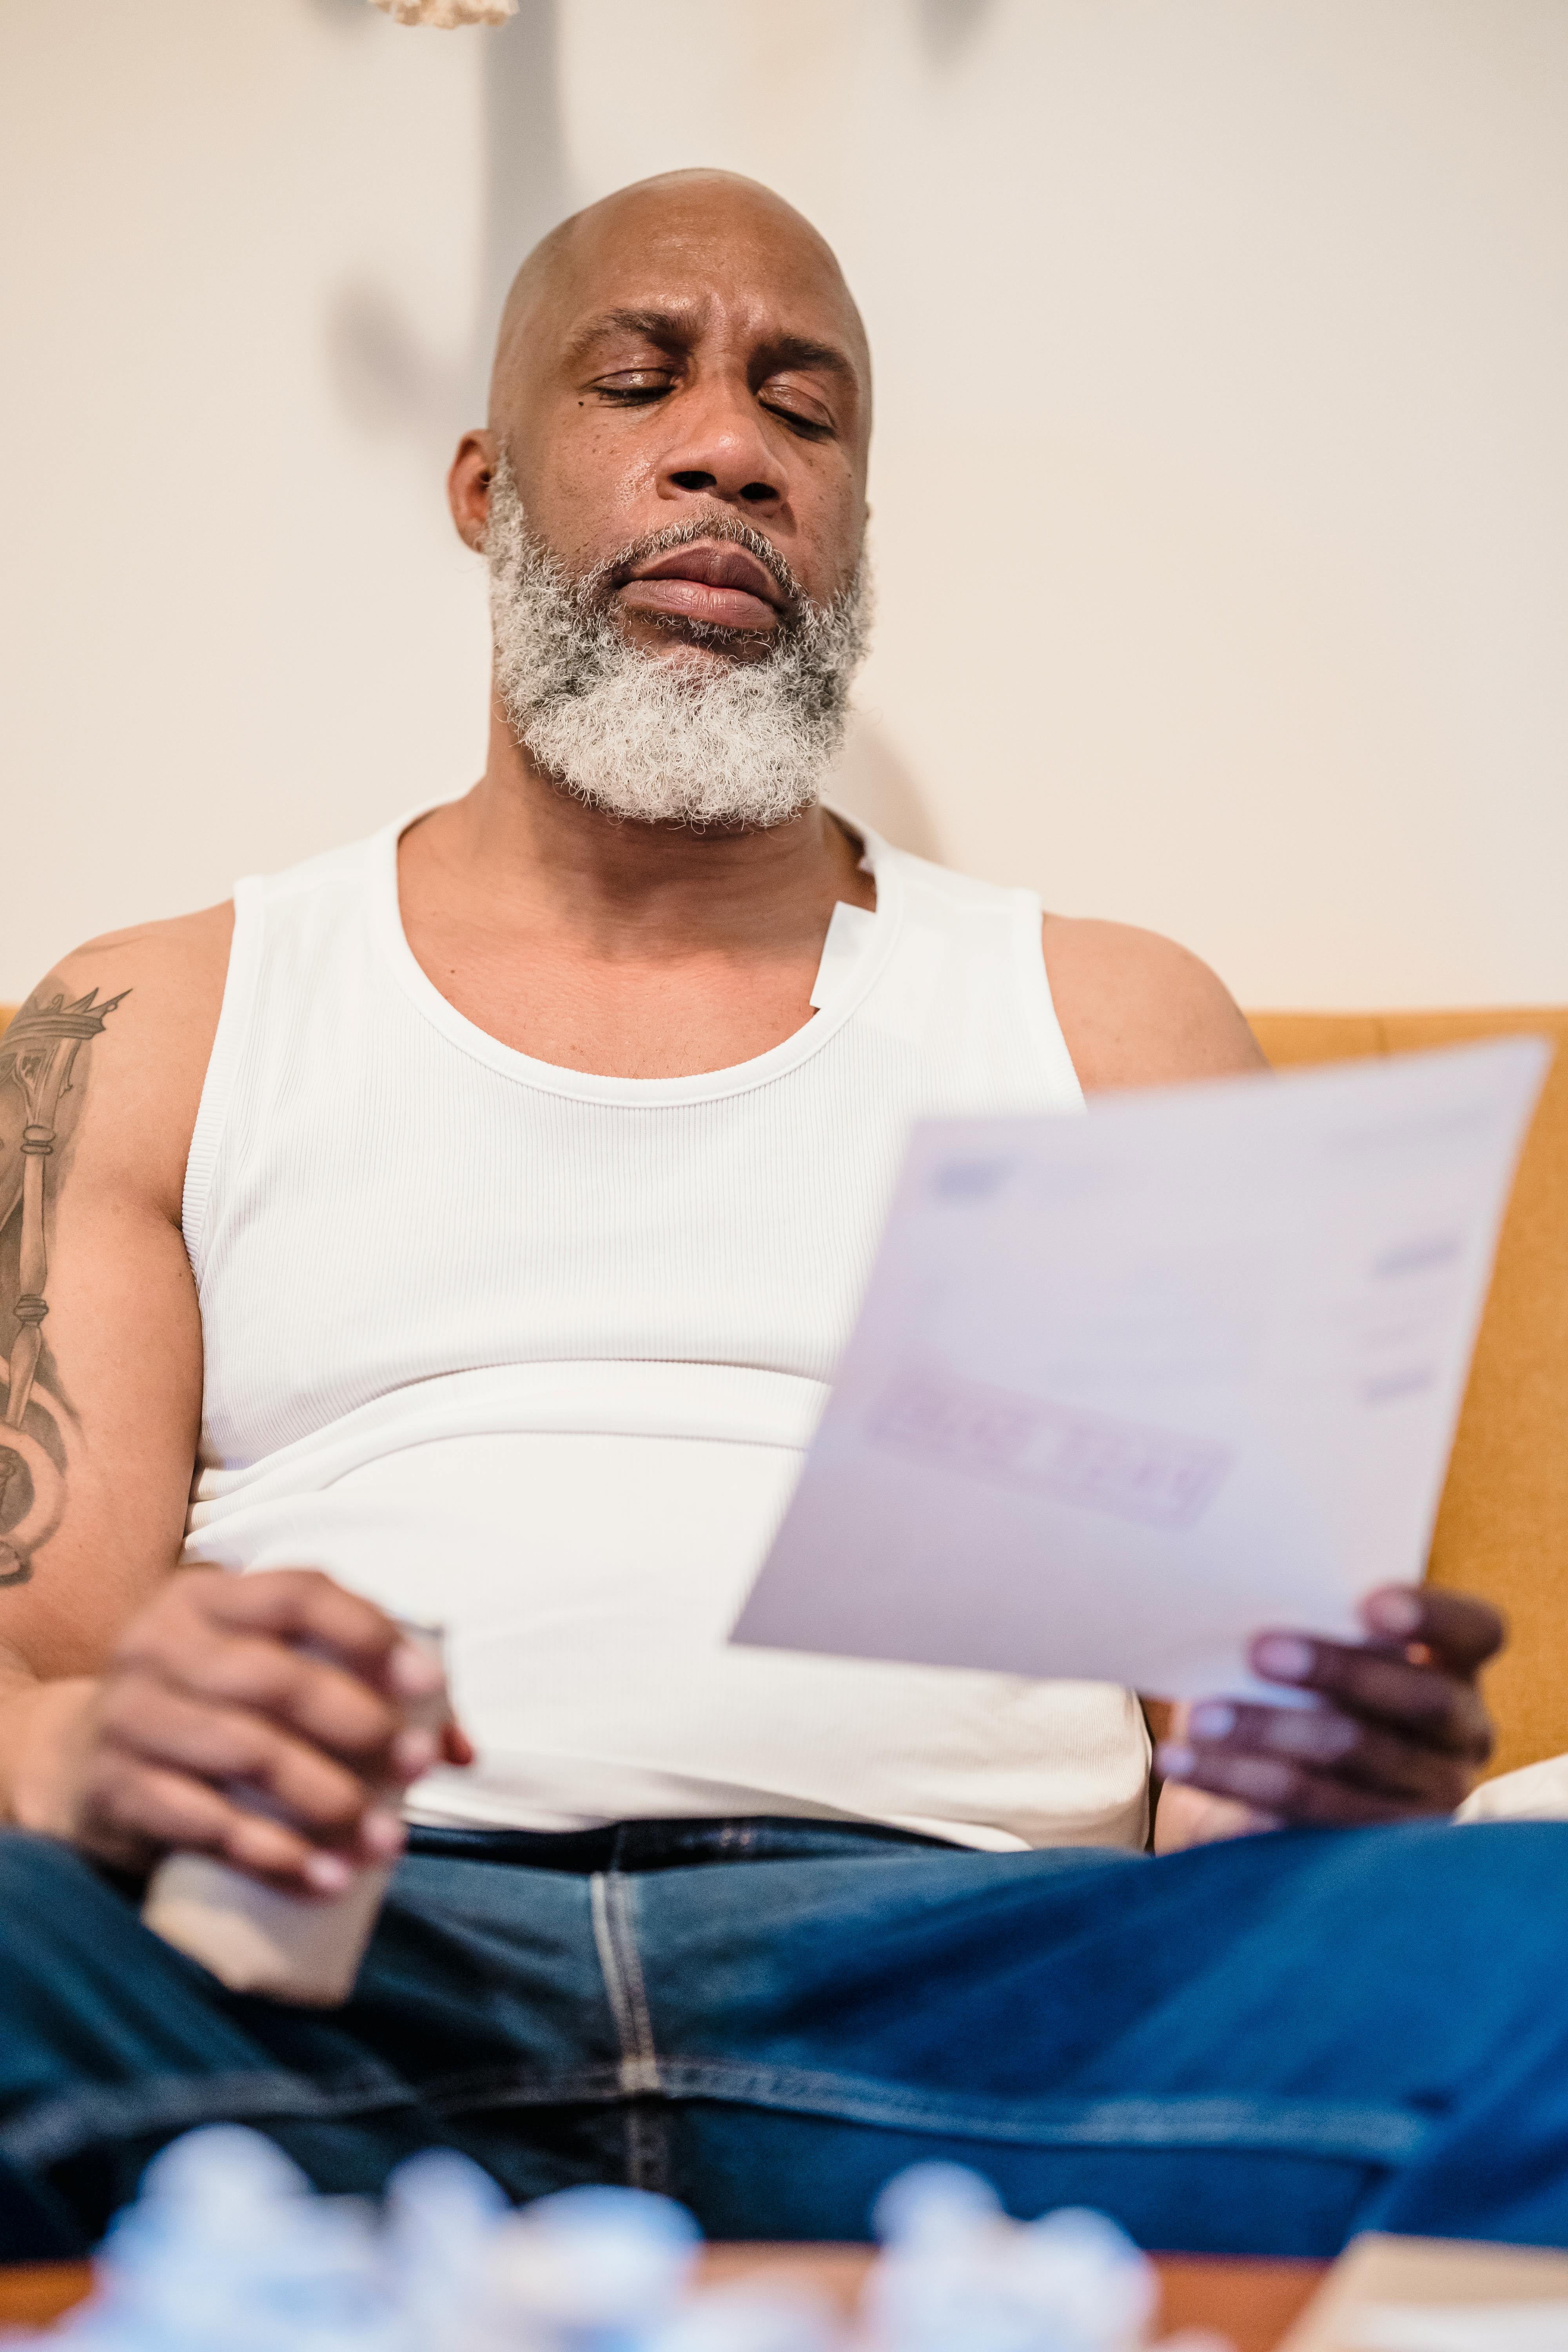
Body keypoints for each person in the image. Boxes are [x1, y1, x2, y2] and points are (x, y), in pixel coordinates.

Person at [0, 169, 1561, 2260]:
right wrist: (118, 1735)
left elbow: (1231, 1790)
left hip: (994, 1993)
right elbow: (34, 1698)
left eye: (804, 414)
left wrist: (1316, 1793)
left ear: (853, 530)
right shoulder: (158, 1012)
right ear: (483, 485)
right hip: (331, 1986)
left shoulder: (1106, 1017)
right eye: (638, 380)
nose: (729, 445)